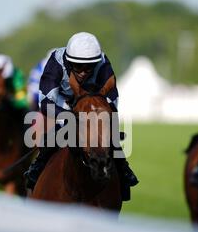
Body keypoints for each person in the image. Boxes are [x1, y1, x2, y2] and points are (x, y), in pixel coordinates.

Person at [23, 32, 139, 199]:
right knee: (56, 135)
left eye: (89, 67)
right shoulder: (55, 62)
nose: (84, 72)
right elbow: (46, 104)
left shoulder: (103, 62)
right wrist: (72, 116)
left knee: (110, 136)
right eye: (78, 66)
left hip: (92, 103)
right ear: (69, 61)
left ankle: (124, 171)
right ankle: (36, 169)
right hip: (62, 101)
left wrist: (100, 117)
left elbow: (112, 99)